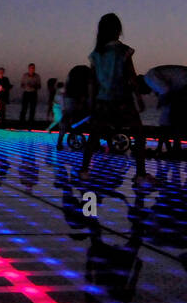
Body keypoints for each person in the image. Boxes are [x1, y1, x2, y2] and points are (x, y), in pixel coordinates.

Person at [77, 13, 153, 187]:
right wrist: (139, 98)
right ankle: (140, 174)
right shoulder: (123, 50)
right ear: (118, 30)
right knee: (139, 134)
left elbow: (92, 81)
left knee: (94, 135)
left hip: (102, 101)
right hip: (122, 99)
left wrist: (90, 102)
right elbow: (132, 77)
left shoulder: (96, 54)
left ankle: (84, 170)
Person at [59, 63, 91, 149]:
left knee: (66, 118)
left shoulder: (72, 77)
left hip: (70, 97)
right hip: (73, 96)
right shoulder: (86, 76)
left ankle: (60, 142)